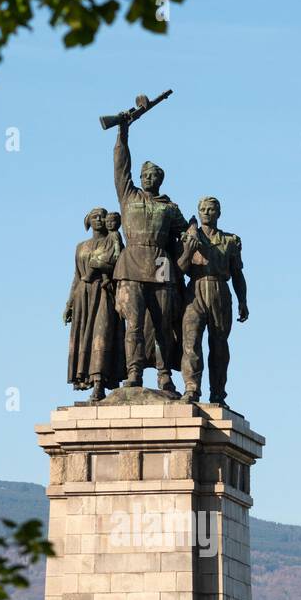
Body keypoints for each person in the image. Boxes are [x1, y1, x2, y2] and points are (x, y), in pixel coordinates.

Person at [112, 118, 188, 394]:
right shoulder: (129, 196)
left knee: (162, 324)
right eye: (146, 175)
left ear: (161, 180)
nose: (149, 179)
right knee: (133, 323)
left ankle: (164, 373)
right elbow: (121, 167)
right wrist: (123, 133)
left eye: (154, 175)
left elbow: (188, 233)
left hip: (159, 263)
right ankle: (133, 372)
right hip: (131, 262)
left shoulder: (170, 208)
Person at [177, 196, 248, 406]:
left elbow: (237, 273)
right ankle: (191, 388)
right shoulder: (189, 237)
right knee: (191, 342)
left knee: (219, 345)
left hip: (220, 291)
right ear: (199, 213)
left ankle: (218, 393)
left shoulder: (230, 240)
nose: (207, 212)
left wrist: (242, 300)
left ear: (219, 213)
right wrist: (189, 250)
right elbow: (179, 268)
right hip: (195, 290)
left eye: (211, 209)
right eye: (203, 209)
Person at [63, 207, 123, 401]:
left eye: (102, 216)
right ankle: (87, 379)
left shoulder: (113, 240)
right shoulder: (81, 246)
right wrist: (69, 303)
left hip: (104, 292)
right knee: (86, 338)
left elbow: (118, 263)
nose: (99, 219)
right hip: (83, 295)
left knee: (102, 334)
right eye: (95, 216)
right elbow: (76, 276)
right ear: (88, 220)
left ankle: (99, 382)